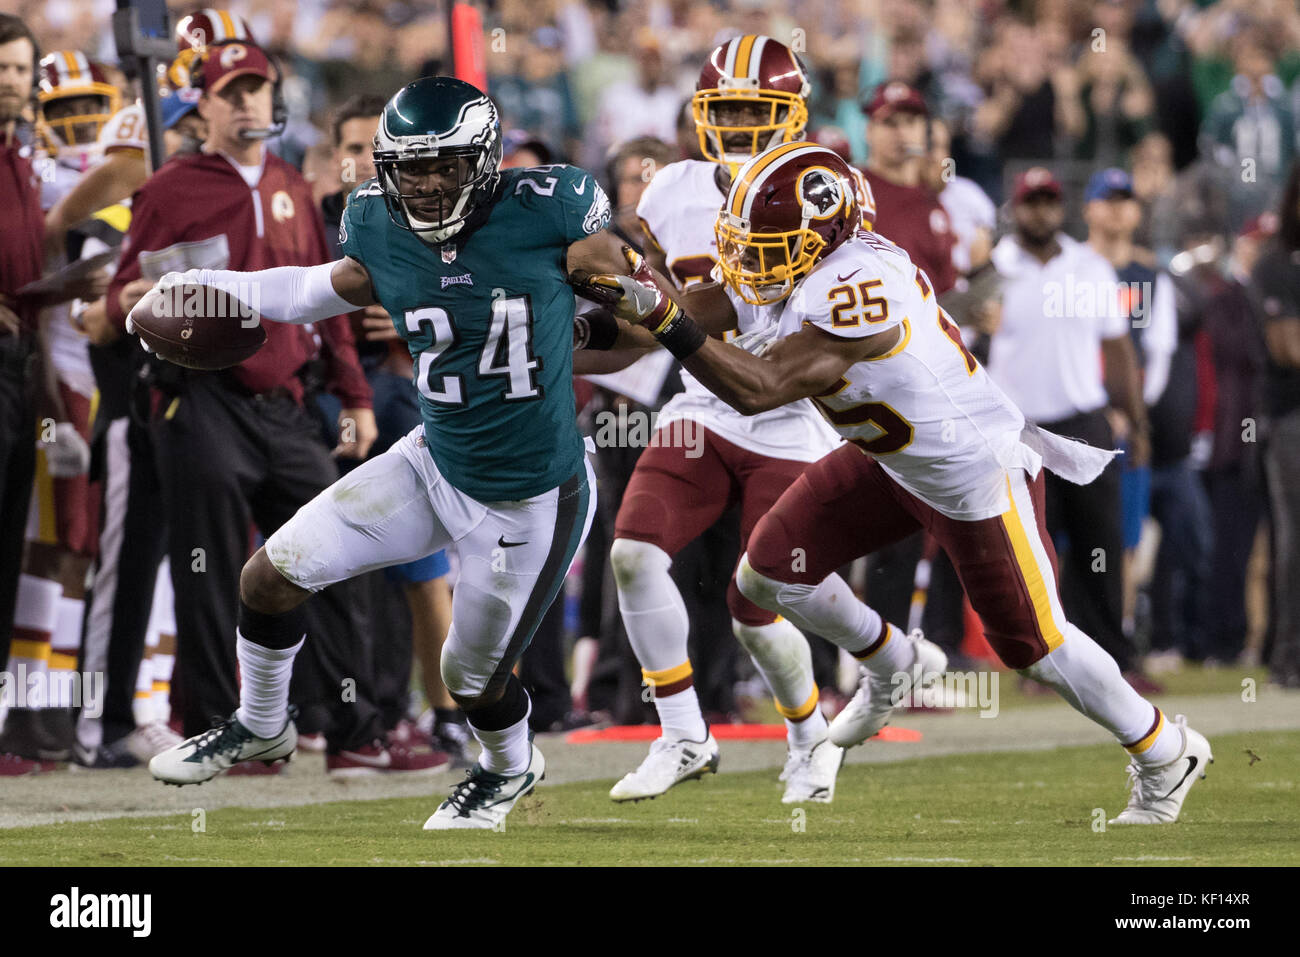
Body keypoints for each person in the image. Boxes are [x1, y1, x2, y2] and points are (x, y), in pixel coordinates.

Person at [598, 140, 1212, 825]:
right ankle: (895, 658)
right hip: (887, 460)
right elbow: (681, 317)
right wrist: (590, 318)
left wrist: (659, 312)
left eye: (765, 247)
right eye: (744, 245)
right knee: (768, 573)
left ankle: (1164, 748)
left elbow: (759, 386)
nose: (749, 263)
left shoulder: (861, 284)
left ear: (820, 240)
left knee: (1035, 647)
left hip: (970, 476)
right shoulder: (793, 265)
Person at [137, 76, 653, 830]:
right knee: (269, 575)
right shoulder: (377, 224)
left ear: (484, 160)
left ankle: (508, 767)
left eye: (444, 165)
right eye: (411, 168)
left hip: (531, 492)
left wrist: (576, 328)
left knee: (469, 677)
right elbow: (314, 289)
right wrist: (206, 285)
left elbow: (641, 323)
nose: (428, 182)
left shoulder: (551, 209)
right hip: (436, 460)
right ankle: (261, 720)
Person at [104, 39, 440, 777]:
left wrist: (355, 396)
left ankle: (352, 727)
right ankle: (227, 726)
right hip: (200, 393)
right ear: (205, 103)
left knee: (334, 550)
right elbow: (119, 294)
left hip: (288, 399)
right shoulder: (170, 187)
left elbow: (327, 307)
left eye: (260, 87)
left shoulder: (291, 179)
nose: (250, 101)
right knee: (211, 564)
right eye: (234, 91)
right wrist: (140, 298)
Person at [606, 36, 853, 806]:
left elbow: (693, 310)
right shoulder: (672, 189)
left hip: (791, 410)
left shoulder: (824, 185)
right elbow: (659, 311)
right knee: (632, 555)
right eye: (729, 108)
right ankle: (683, 732)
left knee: (761, 599)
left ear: (791, 113)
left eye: (758, 107)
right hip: (703, 405)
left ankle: (811, 732)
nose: (743, 122)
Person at [988, 167, 1150, 685]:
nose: (1041, 211)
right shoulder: (992, 270)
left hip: (1083, 422)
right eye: (1031, 202)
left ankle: (1112, 659)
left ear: (1061, 208)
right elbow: (959, 347)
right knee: (1030, 549)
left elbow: (1118, 349)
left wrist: (1138, 422)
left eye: (1048, 201)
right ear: (1016, 209)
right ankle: (1037, 660)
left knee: (1098, 544)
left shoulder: (1090, 267)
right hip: (1019, 429)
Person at [0, 12, 49, 775]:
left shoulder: (18, 158)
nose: (10, 81)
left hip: (19, 369)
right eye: (0, 67)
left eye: (19, 69)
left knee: (8, 549)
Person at [1251, 161, 1300, 688]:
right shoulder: (1278, 264)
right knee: (1295, 542)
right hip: (1292, 420)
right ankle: (1289, 660)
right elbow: (1289, 348)